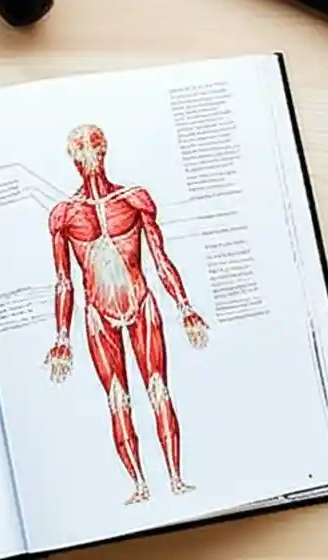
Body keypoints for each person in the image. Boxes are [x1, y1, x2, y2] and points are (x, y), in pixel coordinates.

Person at [44, 125, 209, 504]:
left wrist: (185, 307)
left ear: (105, 150)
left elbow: (159, 258)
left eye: (93, 146)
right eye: (81, 148)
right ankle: (140, 485)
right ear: (71, 157)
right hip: (98, 313)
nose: (88, 155)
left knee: (158, 390)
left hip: (141, 302)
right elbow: (63, 282)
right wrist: (61, 339)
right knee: (118, 397)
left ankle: (175, 479)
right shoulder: (64, 215)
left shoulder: (134, 200)